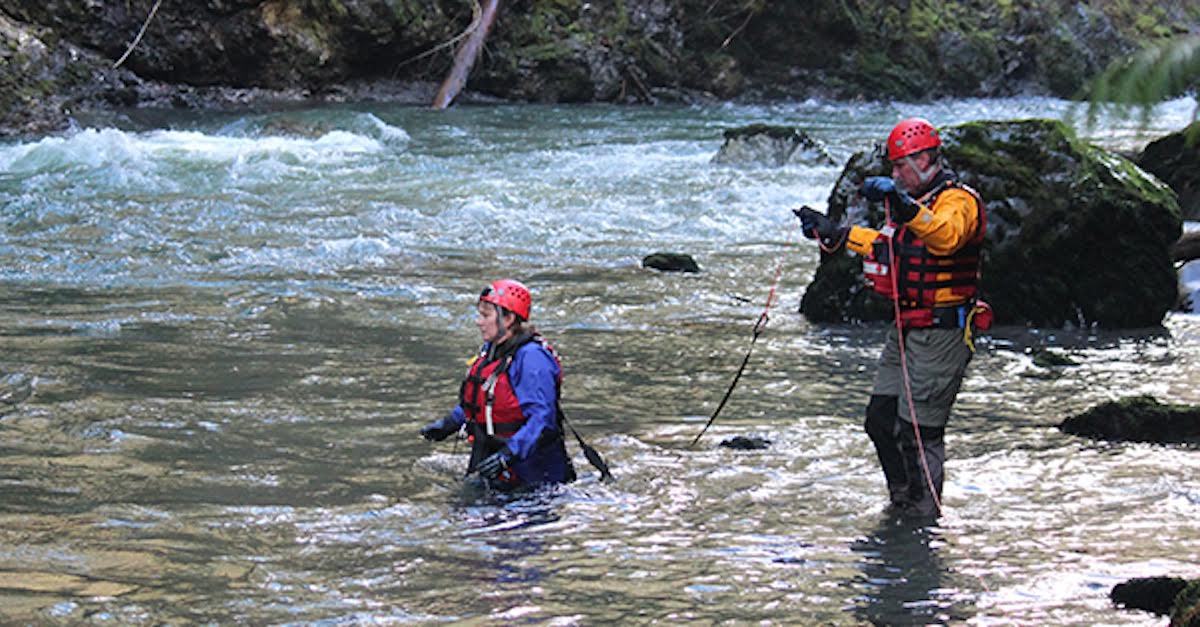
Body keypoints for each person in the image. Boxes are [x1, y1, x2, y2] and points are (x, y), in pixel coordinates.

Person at [794, 117, 989, 518]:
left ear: (924, 158)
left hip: (942, 332)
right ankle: (902, 500)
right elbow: (887, 246)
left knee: (919, 434)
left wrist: (902, 204)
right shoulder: (909, 208)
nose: (895, 174)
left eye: (900, 166)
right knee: (880, 420)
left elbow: (946, 236)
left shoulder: (959, 202)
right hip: (907, 327)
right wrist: (835, 232)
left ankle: (923, 517)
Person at [420, 279, 576, 490]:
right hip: (490, 459)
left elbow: (542, 420)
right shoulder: (492, 350)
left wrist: (508, 454)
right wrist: (449, 423)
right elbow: (484, 401)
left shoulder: (532, 359)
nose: (478, 322)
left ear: (509, 318)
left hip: (532, 474)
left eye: (486, 315)